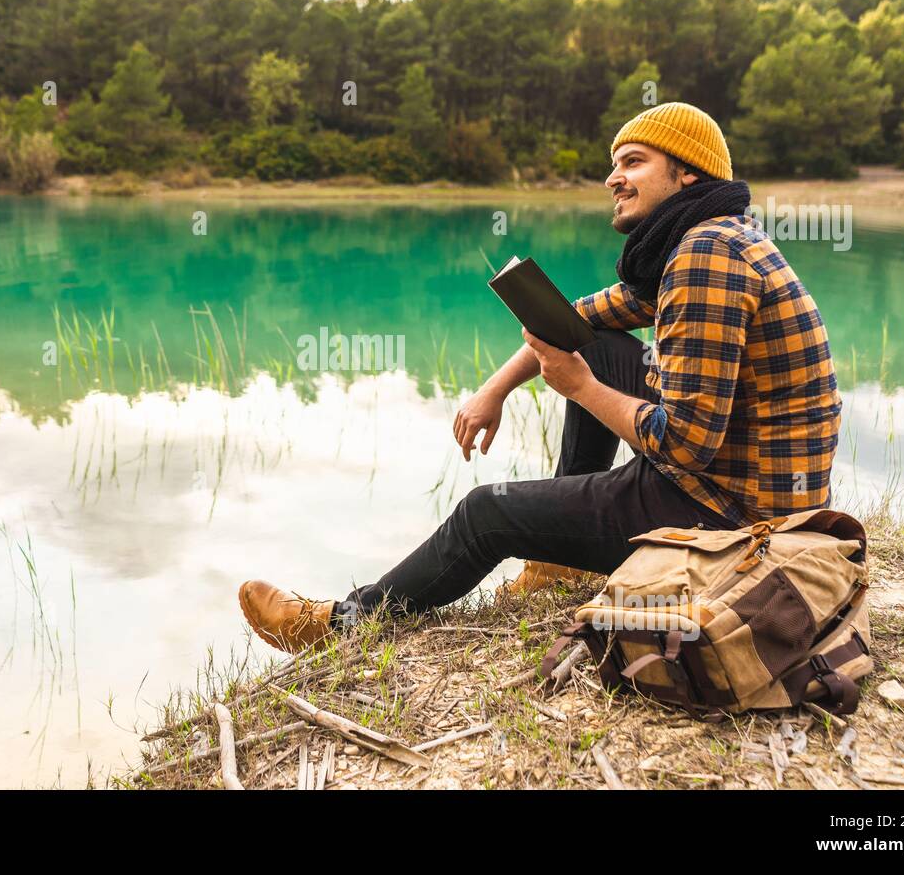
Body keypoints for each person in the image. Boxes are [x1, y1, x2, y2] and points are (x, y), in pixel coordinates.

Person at [238, 102, 843, 653]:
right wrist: (494, 390)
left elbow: (687, 445)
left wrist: (580, 387)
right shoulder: (710, 241)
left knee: (485, 513)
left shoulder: (704, 257)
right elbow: (574, 321)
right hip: (743, 486)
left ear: (688, 174)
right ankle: (563, 560)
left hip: (733, 519)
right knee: (602, 344)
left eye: (633, 162)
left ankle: (344, 626)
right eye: (614, 164)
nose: (613, 178)